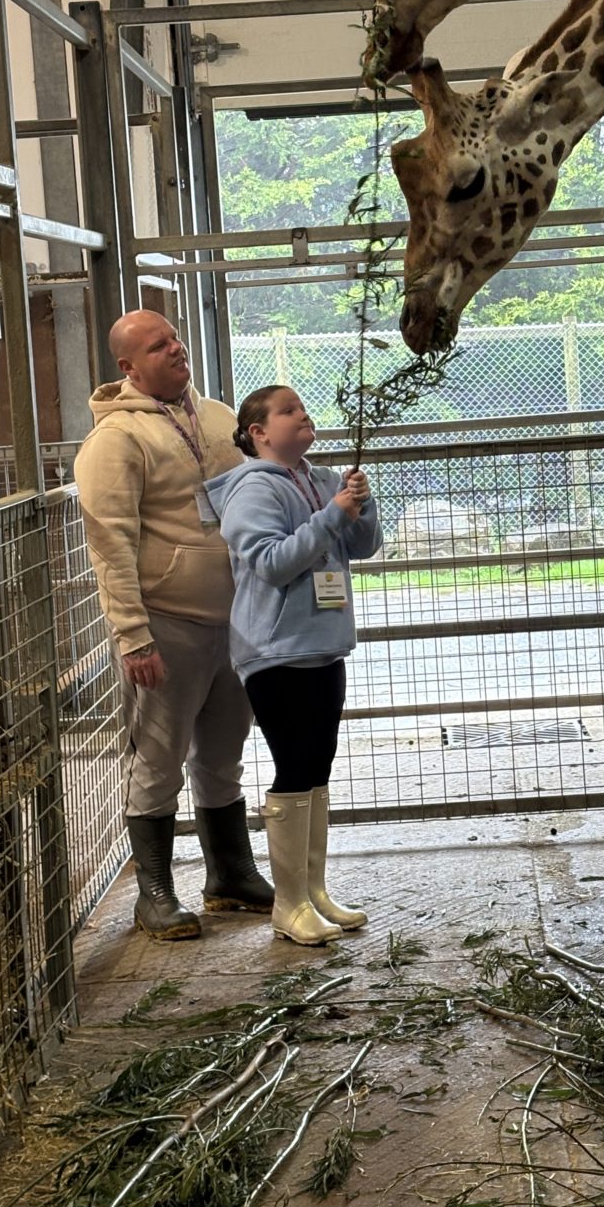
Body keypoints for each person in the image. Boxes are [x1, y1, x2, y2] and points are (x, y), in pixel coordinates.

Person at [74, 310, 274, 941]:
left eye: (177, 338)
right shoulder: (114, 442)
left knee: (223, 754)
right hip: (169, 624)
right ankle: (154, 893)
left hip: (235, 618)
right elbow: (110, 544)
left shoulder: (216, 417)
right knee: (158, 758)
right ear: (128, 367)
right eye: (158, 346)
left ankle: (230, 874)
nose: (176, 348)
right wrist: (132, 635)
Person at [204, 385, 382, 947]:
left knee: (318, 766)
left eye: (304, 407)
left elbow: (364, 546)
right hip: (276, 651)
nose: (302, 415)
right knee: (295, 763)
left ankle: (314, 891)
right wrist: (331, 515)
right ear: (258, 432)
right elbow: (271, 563)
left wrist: (359, 502)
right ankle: (288, 904)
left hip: (324, 643)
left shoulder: (319, 477)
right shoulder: (252, 489)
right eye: (288, 411)